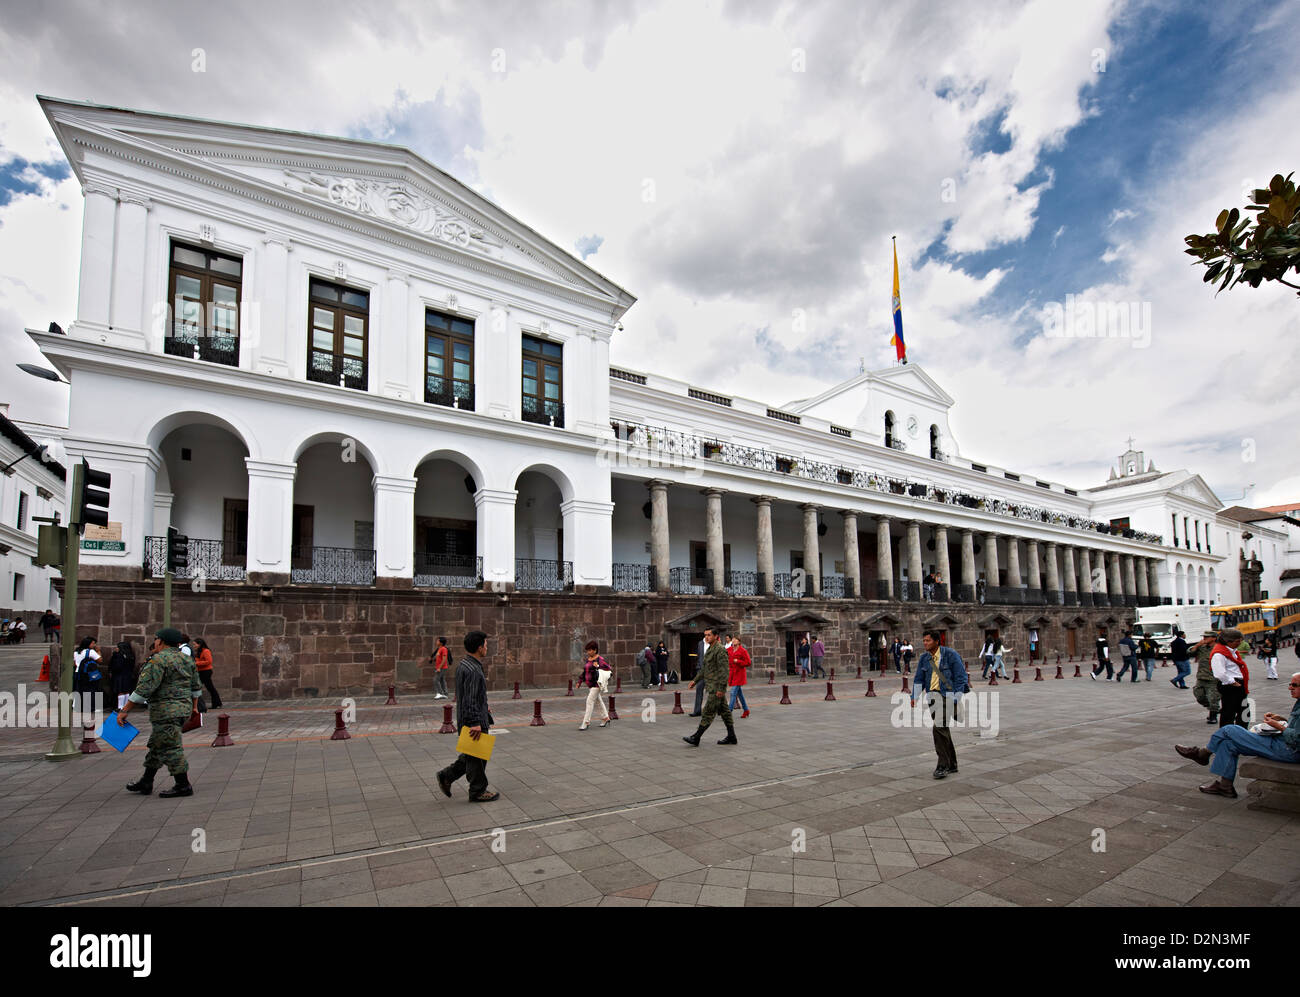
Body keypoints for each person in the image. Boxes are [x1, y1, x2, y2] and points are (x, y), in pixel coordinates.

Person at [1175, 671, 1300, 798]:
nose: (1290, 687)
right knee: (1228, 744)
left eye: (1294, 685)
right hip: (1285, 745)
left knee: (1229, 730)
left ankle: (1203, 753)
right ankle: (1225, 786)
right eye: (1290, 684)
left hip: (1289, 750)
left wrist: (1278, 726)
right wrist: (1281, 719)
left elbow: (1297, 738)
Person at [120, 628, 202, 798]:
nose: (155, 642)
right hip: (183, 709)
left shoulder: (158, 660)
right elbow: (196, 687)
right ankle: (146, 781)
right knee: (158, 744)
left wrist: (125, 710)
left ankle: (183, 784)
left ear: (161, 641)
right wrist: (194, 707)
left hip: (165, 711)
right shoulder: (187, 659)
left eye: (156, 639)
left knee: (172, 747)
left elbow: (144, 688)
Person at [435, 630, 499, 802]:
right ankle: (477, 791)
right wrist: (475, 722)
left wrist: (484, 706)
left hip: (472, 715)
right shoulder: (473, 669)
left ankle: (446, 776)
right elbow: (469, 698)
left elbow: (471, 694)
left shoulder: (466, 664)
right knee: (477, 756)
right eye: (485, 645)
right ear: (479, 648)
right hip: (473, 719)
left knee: (473, 753)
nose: (487, 648)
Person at [910, 630, 970, 779]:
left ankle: (942, 765)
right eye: (924, 640)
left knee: (938, 729)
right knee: (943, 730)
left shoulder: (950, 655)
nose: (925, 643)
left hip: (947, 697)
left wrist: (955, 698)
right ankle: (952, 764)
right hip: (932, 698)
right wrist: (914, 696)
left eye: (928, 641)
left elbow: (961, 677)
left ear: (937, 641)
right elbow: (919, 679)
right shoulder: (924, 658)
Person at [683, 627, 737, 747]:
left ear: (716, 636)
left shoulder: (720, 650)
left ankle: (696, 737)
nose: (706, 637)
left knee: (707, 712)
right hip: (711, 686)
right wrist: (695, 681)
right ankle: (732, 736)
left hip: (716, 688)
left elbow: (724, 672)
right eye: (705, 635)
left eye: (709, 635)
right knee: (725, 712)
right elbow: (704, 669)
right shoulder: (710, 649)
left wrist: (721, 689)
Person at [1210, 628, 1249, 728]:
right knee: (1229, 713)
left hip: (1238, 685)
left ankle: (1242, 732)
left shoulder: (1232, 651)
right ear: (1228, 641)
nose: (1240, 643)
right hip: (1230, 686)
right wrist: (1232, 682)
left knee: (1244, 712)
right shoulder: (1219, 654)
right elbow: (1219, 673)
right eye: (1237, 641)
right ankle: (1227, 734)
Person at [577, 640, 611, 731]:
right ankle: (605, 718)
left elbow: (608, 668)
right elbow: (585, 671)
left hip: (596, 684)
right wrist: (579, 681)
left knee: (589, 701)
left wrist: (598, 666)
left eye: (590, 650)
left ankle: (586, 722)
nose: (588, 652)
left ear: (595, 650)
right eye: (587, 650)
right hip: (590, 684)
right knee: (598, 701)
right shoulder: (589, 659)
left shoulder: (600, 659)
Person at [1190, 630, 1221, 724]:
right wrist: (1197, 645)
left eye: (1207, 637)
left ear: (1214, 638)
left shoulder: (1219, 648)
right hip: (1201, 676)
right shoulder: (1201, 647)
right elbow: (1189, 652)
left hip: (1213, 678)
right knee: (1199, 695)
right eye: (1204, 637)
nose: (1204, 639)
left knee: (1213, 698)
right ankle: (1214, 708)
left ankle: (1213, 715)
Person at [191, 637, 222, 708]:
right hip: (202, 672)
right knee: (209, 687)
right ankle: (217, 703)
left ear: (199, 644)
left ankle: (216, 703)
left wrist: (196, 663)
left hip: (206, 672)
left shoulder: (206, 651)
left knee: (208, 687)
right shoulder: (200, 651)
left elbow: (209, 661)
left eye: (195, 644)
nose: (194, 646)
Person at [108, 640, 136, 712]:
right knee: (126, 691)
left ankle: (120, 706)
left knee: (120, 690)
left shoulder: (118, 655)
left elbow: (116, 666)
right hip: (128, 675)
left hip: (119, 675)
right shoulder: (131, 655)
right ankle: (126, 706)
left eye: (117, 647)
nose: (116, 648)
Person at [727, 634, 751, 718]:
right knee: (739, 694)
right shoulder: (729, 649)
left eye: (735, 640)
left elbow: (748, 662)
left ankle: (729, 711)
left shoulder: (743, 651)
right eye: (733, 639)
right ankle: (746, 710)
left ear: (739, 642)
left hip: (739, 674)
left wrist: (738, 661)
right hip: (732, 674)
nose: (733, 641)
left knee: (733, 692)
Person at [690, 635, 709, 715]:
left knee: (713, 692)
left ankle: (718, 710)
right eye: (706, 634)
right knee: (699, 690)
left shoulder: (714, 644)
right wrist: (698, 665)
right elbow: (698, 655)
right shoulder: (700, 643)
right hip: (701, 670)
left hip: (711, 671)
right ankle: (697, 711)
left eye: (709, 634)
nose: (708, 636)